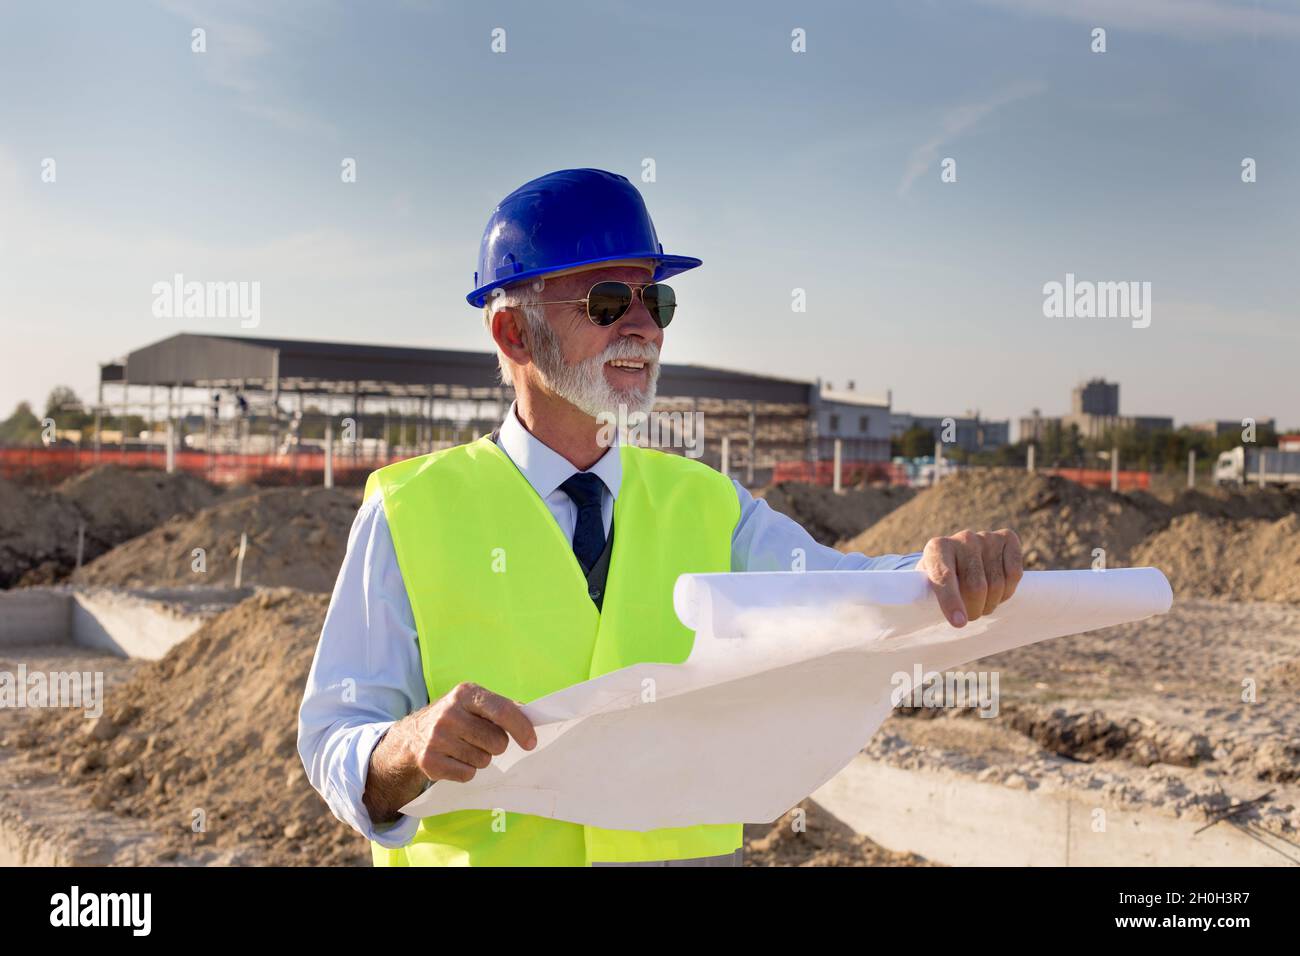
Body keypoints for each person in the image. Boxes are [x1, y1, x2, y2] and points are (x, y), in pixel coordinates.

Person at [297, 168, 1022, 866]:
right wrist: (405, 746)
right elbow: (336, 742)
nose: (645, 327)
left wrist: (938, 568)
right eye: (610, 301)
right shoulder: (410, 513)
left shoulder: (709, 505)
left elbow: (845, 592)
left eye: (657, 302)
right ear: (514, 335)